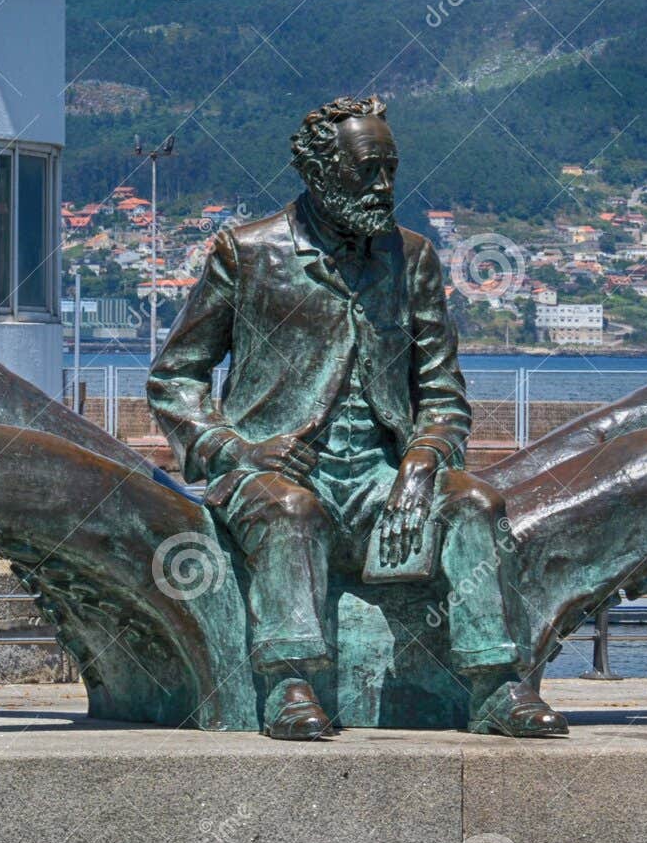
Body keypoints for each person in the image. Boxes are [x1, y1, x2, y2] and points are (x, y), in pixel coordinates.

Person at [147, 96, 566, 741]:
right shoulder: (247, 251)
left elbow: (442, 393)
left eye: (390, 169)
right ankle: (289, 684)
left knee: (475, 504)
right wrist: (235, 450)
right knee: (292, 512)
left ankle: (495, 685)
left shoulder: (412, 257)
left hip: (380, 475)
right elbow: (175, 379)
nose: (384, 186)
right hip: (274, 472)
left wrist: (423, 460)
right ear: (319, 171)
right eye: (367, 170)